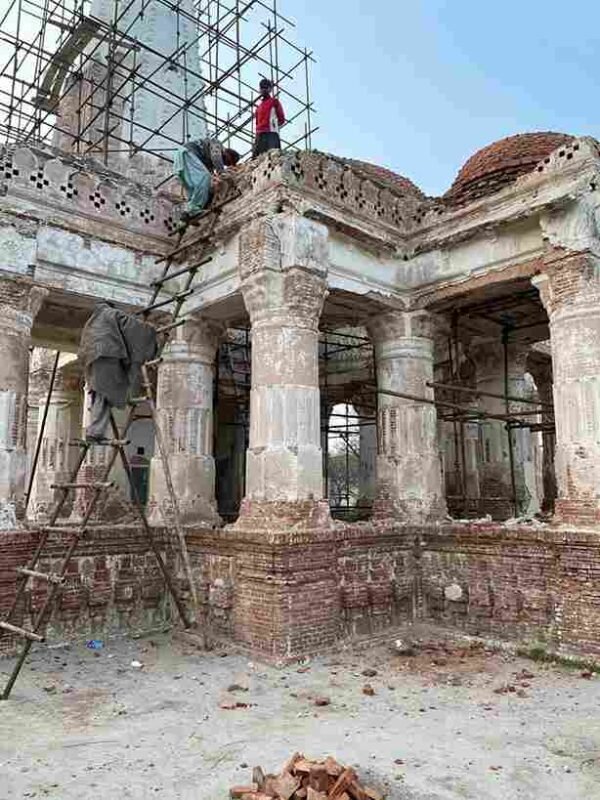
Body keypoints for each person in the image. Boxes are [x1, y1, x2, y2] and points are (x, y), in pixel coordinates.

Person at [173, 137, 240, 221]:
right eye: (226, 162)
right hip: (188, 153)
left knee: (194, 187)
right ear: (227, 153)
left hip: (183, 158)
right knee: (205, 177)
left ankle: (187, 214)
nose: (224, 164)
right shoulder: (216, 143)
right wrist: (222, 172)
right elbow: (216, 157)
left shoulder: (207, 164)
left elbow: (208, 181)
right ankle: (193, 210)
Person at [253, 78, 285, 157]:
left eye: (266, 87)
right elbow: (257, 123)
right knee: (257, 161)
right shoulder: (258, 108)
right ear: (260, 90)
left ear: (270, 89)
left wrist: (273, 126)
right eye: (262, 88)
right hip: (259, 136)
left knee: (273, 157)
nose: (264, 90)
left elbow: (281, 119)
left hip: (271, 134)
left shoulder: (274, 102)